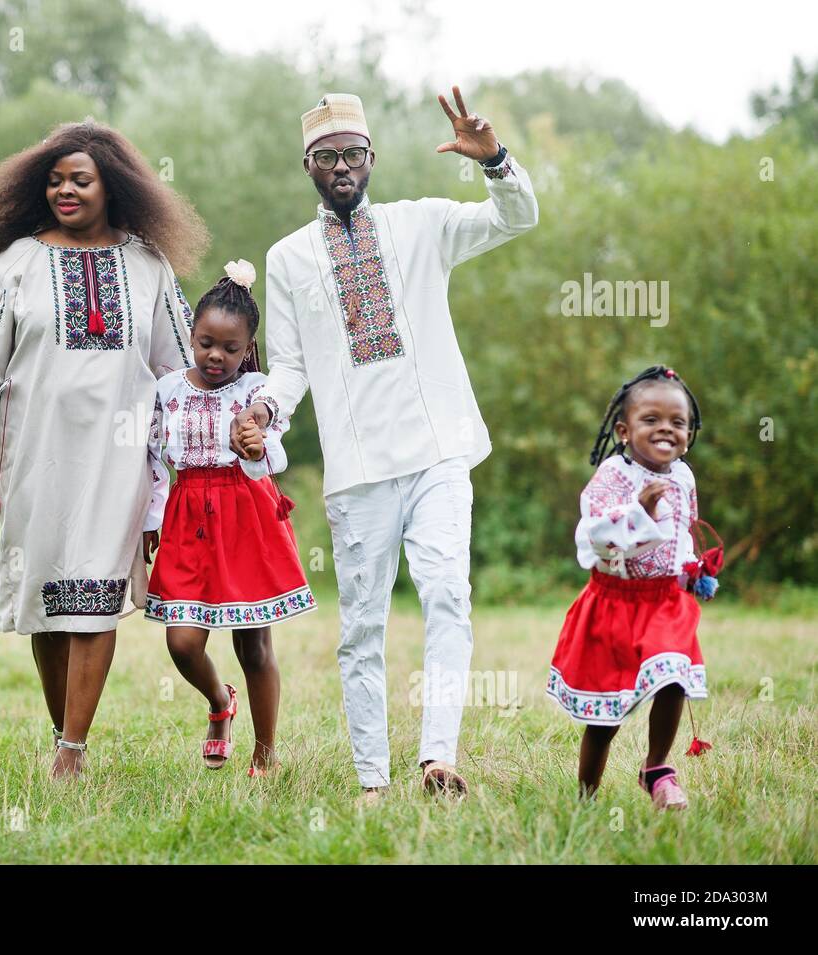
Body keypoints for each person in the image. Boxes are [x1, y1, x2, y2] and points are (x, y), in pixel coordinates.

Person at [234, 88, 539, 800]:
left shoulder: (422, 224)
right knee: (361, 627)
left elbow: (517, 216)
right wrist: (264, 408)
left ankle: (438, 758)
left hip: (438, 451)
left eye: (353, 154)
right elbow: (290, 366)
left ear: (372, 158)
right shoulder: (289, 257)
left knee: (446, 594)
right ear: (309, 165)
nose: (342, 166)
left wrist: (493, 158)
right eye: (326, 156)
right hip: (358, 467)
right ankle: (372, 780)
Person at [0, 120, 206, 778]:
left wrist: (206, 450)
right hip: (35, 454)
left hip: (119, 457)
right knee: (48, 603)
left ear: (110, 186)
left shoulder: (148, 264)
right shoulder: (17, 264)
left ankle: (71, 750)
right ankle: (64, 727)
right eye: (56, 180)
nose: (65, 190)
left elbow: (181, 367)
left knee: (93, 594)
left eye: (80, 180)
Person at [142, 260, 315, 777]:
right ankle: (220, 702)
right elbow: (153, 456)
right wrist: (152, 516)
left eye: (231, 348)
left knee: (254, 644)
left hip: (246, 513)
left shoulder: (257, 393)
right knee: (183, 641)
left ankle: (265, 750)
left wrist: (256, 448)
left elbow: (272, 462)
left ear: (248, 348)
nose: (216, 356)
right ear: (192, 337)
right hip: (186, 513)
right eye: (206, 343)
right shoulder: (168, 389)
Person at [548, 366, 716, 810]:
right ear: (623, 431)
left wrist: (692, 569)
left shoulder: (683, 476)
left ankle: (656, 767)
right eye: (651, 420)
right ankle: (586, 799)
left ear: (688, 431)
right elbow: (594, 537)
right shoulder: (612, 477)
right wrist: (637, 511)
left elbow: (684, 528)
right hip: (615, 603)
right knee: (606, 715)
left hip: (664, 600)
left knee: (673, 675)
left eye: (678, 422)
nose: (666, 429)